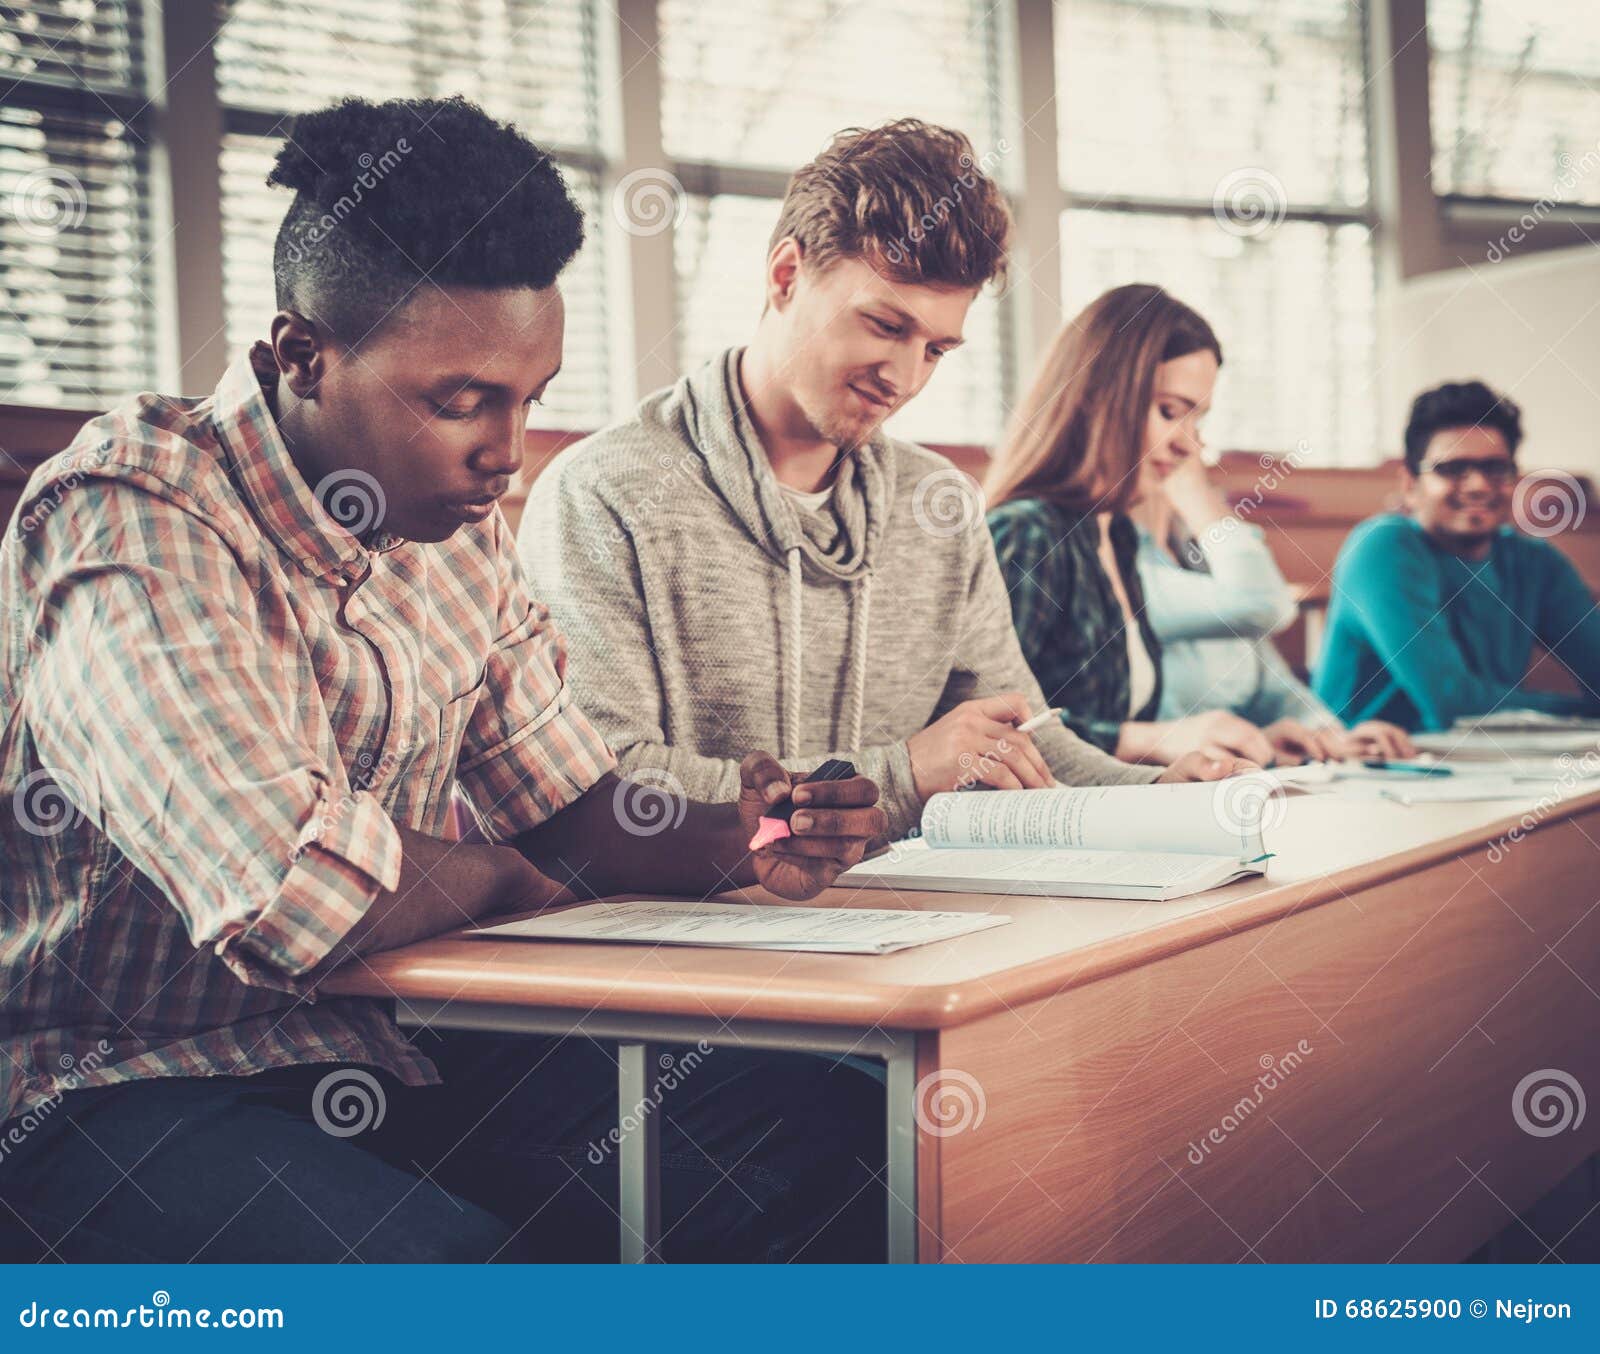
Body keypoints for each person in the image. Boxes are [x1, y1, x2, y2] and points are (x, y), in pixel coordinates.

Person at [0, 97, 890, 1264]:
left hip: (391, 1046)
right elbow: (290, 890)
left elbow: (568, 807)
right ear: (299, 357)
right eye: (458, 401)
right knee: (470, 1280)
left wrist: (744, 830)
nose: (505, 453)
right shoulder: (130, 516)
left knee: (825, 1134)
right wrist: (508, 878)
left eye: (528, 398)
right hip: (112, 1089)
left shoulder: (453, 529)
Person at [518, 123, 1245, 844]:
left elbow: (1023, 742)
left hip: (904, 905)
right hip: (690, 914)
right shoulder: (602, 493)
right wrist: (902, 774)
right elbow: (612, 786)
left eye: (936, 349)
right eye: (884, 326)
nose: (904, 378)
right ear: (786, 275)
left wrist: (1153, 794)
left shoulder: (938, 506)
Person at [987, 283, 1291, 766]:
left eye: (1197, 421)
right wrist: (1153, 740)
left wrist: (1247, 742)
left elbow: (1109, 730)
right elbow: (993, 730)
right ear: (1099, 397)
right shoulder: (1028, 532)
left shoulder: (1117, 535)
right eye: (1170, 412)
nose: (1190, 445)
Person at [1314, 380, 1600, 731]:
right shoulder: (1383, 548)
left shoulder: (1537, 562)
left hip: (1492, 757)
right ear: (1410, 484)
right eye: (1452, 468)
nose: (1478, 485)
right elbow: (1453, 704)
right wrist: (1585, 713)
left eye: (1495, 468)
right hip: (1365, 760)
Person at [1132, 455, 1415, 762]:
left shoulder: (1199, 557)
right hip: (1166, 779)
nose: (1193, 446)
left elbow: (1273, 687)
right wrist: (1193, 491)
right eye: (1175, 424)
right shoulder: (1126, 570)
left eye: (1195, 430)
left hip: (1237, 773)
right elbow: (1264, 603)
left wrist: (1328, 734)